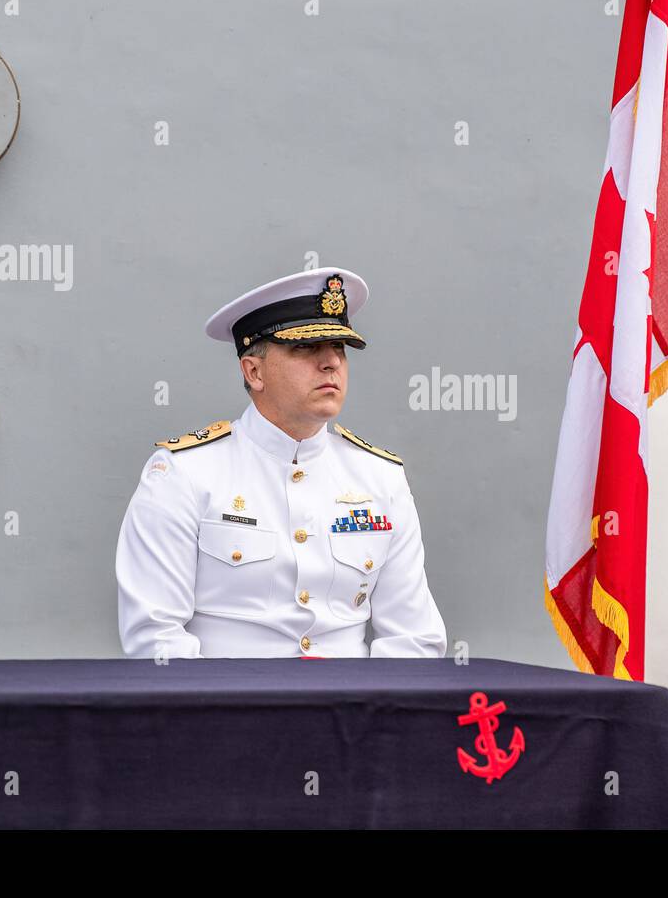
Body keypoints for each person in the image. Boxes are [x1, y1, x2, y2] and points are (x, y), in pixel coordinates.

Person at [116, 267, 447, 659]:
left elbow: (414, 639)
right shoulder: (184, 474)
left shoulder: (380, 479)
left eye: (340, 348)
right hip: (228, 712)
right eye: (305, 349)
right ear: (253, 371)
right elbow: (155, 638)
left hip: (352, 714)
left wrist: (368, 716)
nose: (331, 364)